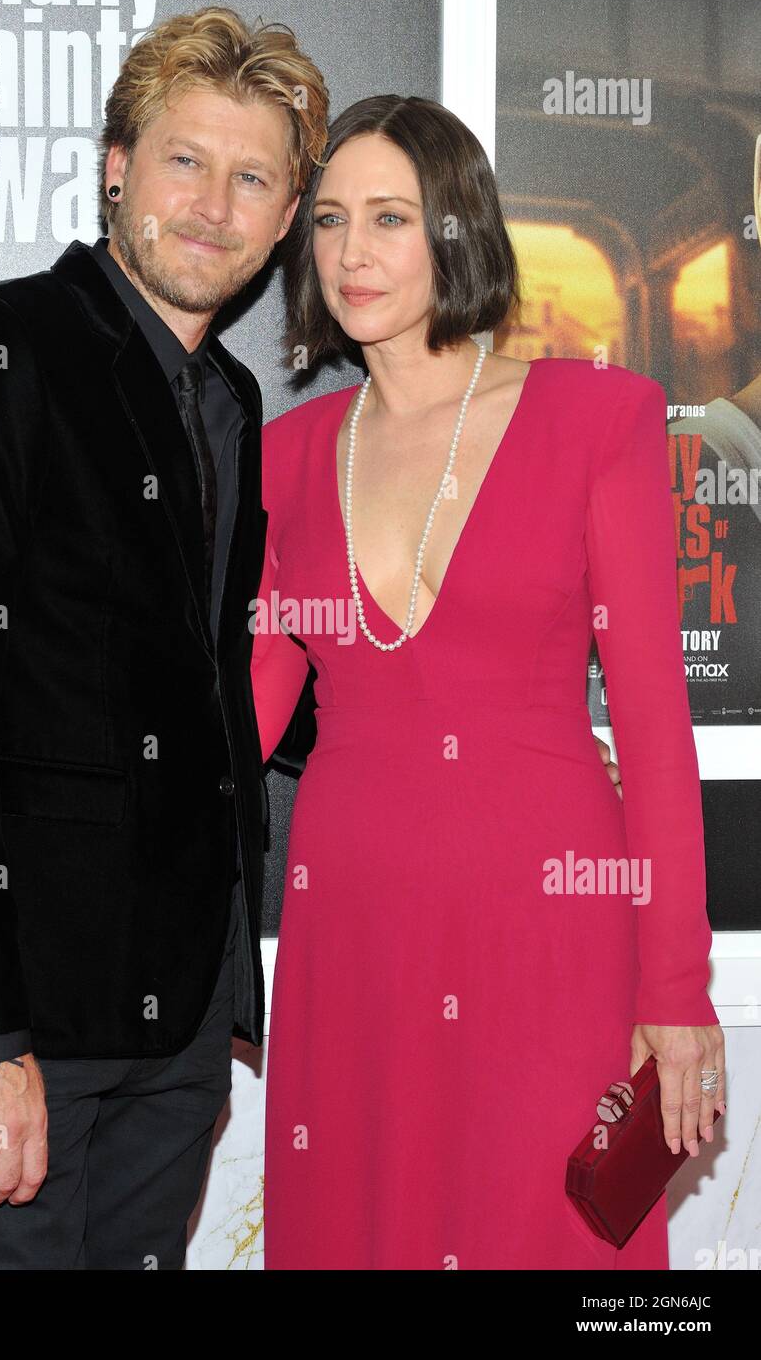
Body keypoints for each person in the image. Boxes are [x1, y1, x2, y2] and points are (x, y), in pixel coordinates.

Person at [0, 6, 327, 1271]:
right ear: (115, 166)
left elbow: (197, 675)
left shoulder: (226, 402)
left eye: (253, 177)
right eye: (185, 161)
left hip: (174, 1017)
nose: (214, 204)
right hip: (23, 1010)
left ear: (285, 220)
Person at [250, 95, 726, 1269]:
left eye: (391, 217)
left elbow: (657, 729)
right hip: (351, 935)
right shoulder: (285, 461)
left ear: (455, 230)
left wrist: (674, 985)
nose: (352, 253)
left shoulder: (595, 418)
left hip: (548, 926)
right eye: (327, 222)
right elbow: (232, 729)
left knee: (542, 1233)